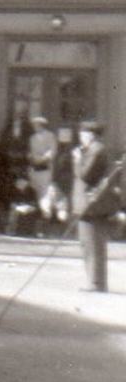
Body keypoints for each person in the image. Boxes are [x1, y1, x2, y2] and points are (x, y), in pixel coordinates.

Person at [72, 120, 117, 293]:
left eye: (82, 135)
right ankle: (96, 281)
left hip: (91, 205)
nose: (81, 138)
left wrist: (77, 160)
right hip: (90, 205)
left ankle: (96, 283)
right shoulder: (95, 150)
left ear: (89, 135)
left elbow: (85, 175)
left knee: (92, 244)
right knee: (91, 243)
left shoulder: (96, 150)